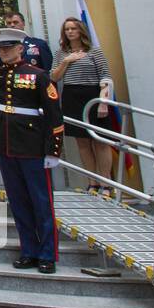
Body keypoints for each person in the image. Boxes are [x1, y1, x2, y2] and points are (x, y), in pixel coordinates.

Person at [0, 27, 65, 272]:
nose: (4, 52)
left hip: (31, 146)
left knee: (41, 202)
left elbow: (54, 116)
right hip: (5, 145)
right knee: (17, 202)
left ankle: (47, 254)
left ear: (20, 49)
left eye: (8, 48)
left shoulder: (37, 75)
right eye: (1, 49)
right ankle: (28, 250)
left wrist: (53, 151)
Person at [51, 17, 115, 192]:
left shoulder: (94, 51)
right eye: (67, 29)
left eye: (73, 28)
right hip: (72, 96)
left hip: (93, 95)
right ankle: (92, 181)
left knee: (101, 142)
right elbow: (54, 77)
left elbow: (105, 76)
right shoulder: (61, 53)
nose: (70, 32)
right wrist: (67, 61)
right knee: (83, 142)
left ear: (81, 31)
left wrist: (103, 102)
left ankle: (106, 182)